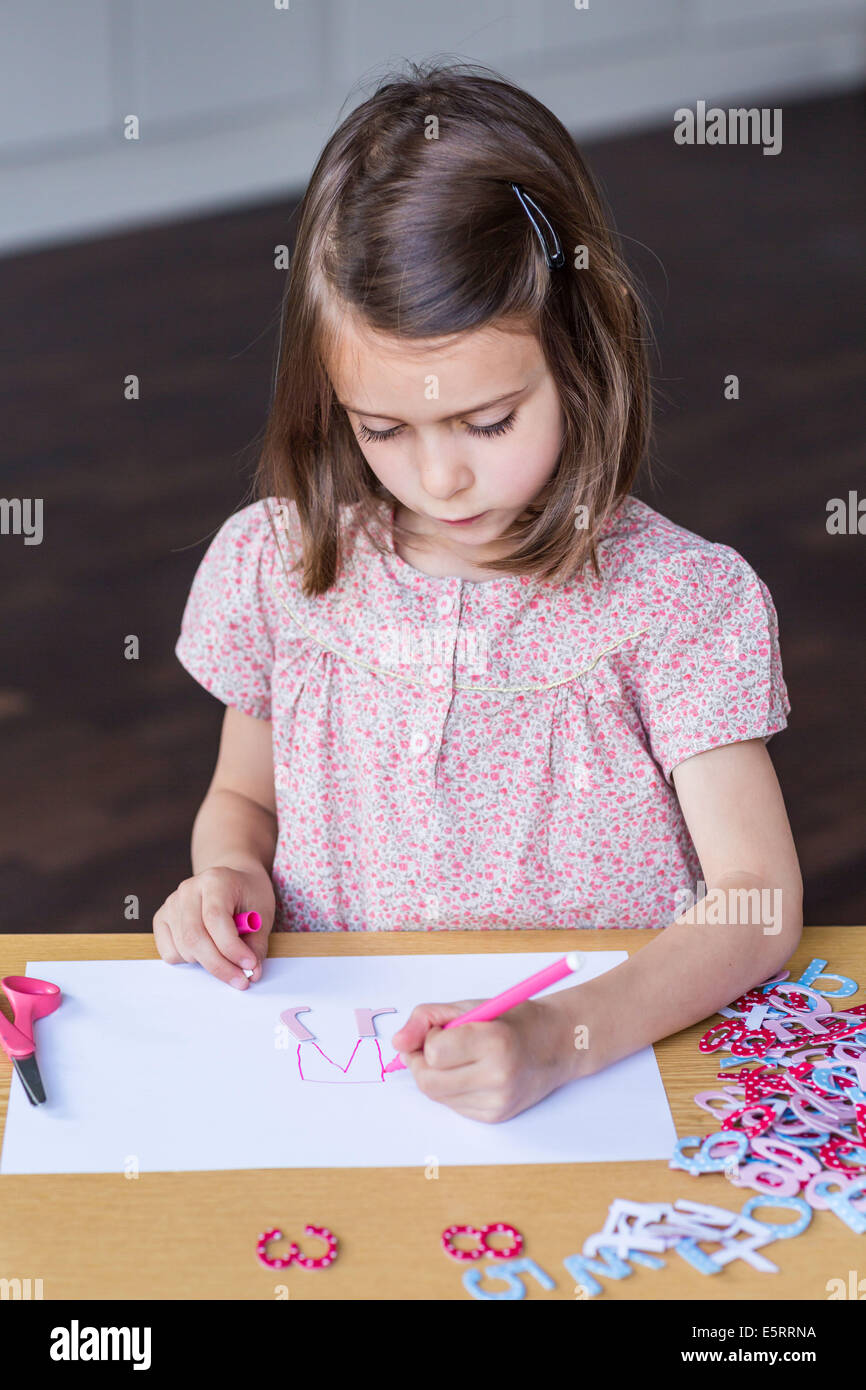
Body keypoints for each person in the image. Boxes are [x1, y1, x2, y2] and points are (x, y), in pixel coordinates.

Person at [155, 61, 802, 1122]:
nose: (438, 477)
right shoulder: (279, 564)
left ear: (579, 358)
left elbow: (758, 902)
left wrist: (561, 1035)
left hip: (599, 1078)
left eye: (486, 422)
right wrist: (229, 872)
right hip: (345, 1082)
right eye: (381, 429)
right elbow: (245, 800)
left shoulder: (681, 603)